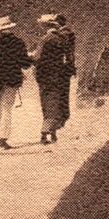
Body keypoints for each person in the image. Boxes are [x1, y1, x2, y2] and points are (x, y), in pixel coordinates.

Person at [0, 16, 31, 150]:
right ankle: (2, 138)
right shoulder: (18, 42)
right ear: (10, 27)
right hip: (12, 78)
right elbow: (25, 64)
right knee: (6, 108)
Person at [33, 14, 76, 143]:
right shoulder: (62, 39)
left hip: (44, 75)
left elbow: (37, 58)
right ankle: (53, 131)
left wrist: (29, 57)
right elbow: (69, 56)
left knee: (46, 101)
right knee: (55, 100)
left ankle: (45, 131)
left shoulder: (45, 39)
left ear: (45, 26)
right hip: (58, 74)